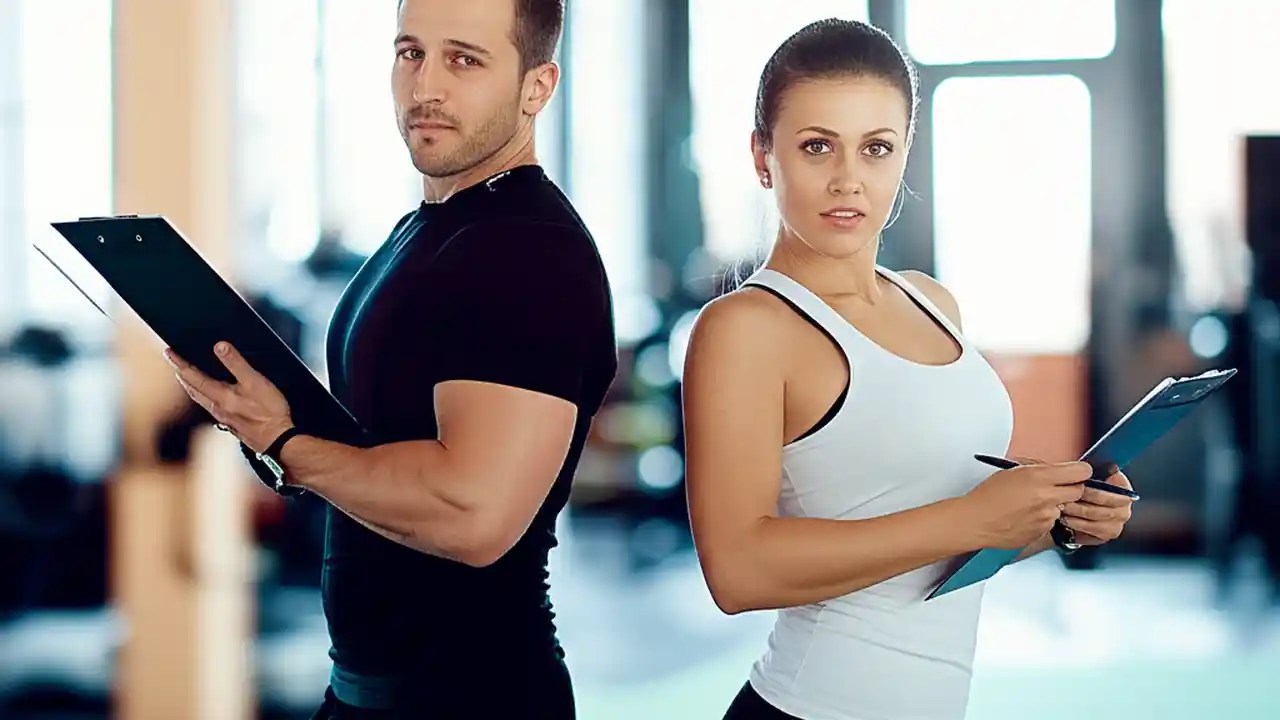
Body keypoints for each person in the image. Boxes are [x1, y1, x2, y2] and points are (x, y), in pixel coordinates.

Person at [164, 0, 616, 717]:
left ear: (538, 87)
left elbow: (472, 514)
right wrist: (268, 421)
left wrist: (285, 444)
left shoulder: (530, 249)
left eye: (464, 59)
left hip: (475, 698)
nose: (425, 86)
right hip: (362, 692)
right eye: (411, 53)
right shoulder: (425, 231)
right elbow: (379, 446)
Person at [681, 19, 1136, 720]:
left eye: (876, 149)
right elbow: (737, 571)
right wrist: (973, 516)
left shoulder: (932, 301)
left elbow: (939, 550)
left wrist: (1056, 521)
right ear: (761, 155)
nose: (847, 180)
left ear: (904, 156)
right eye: (816, 146)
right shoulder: (745, 328)